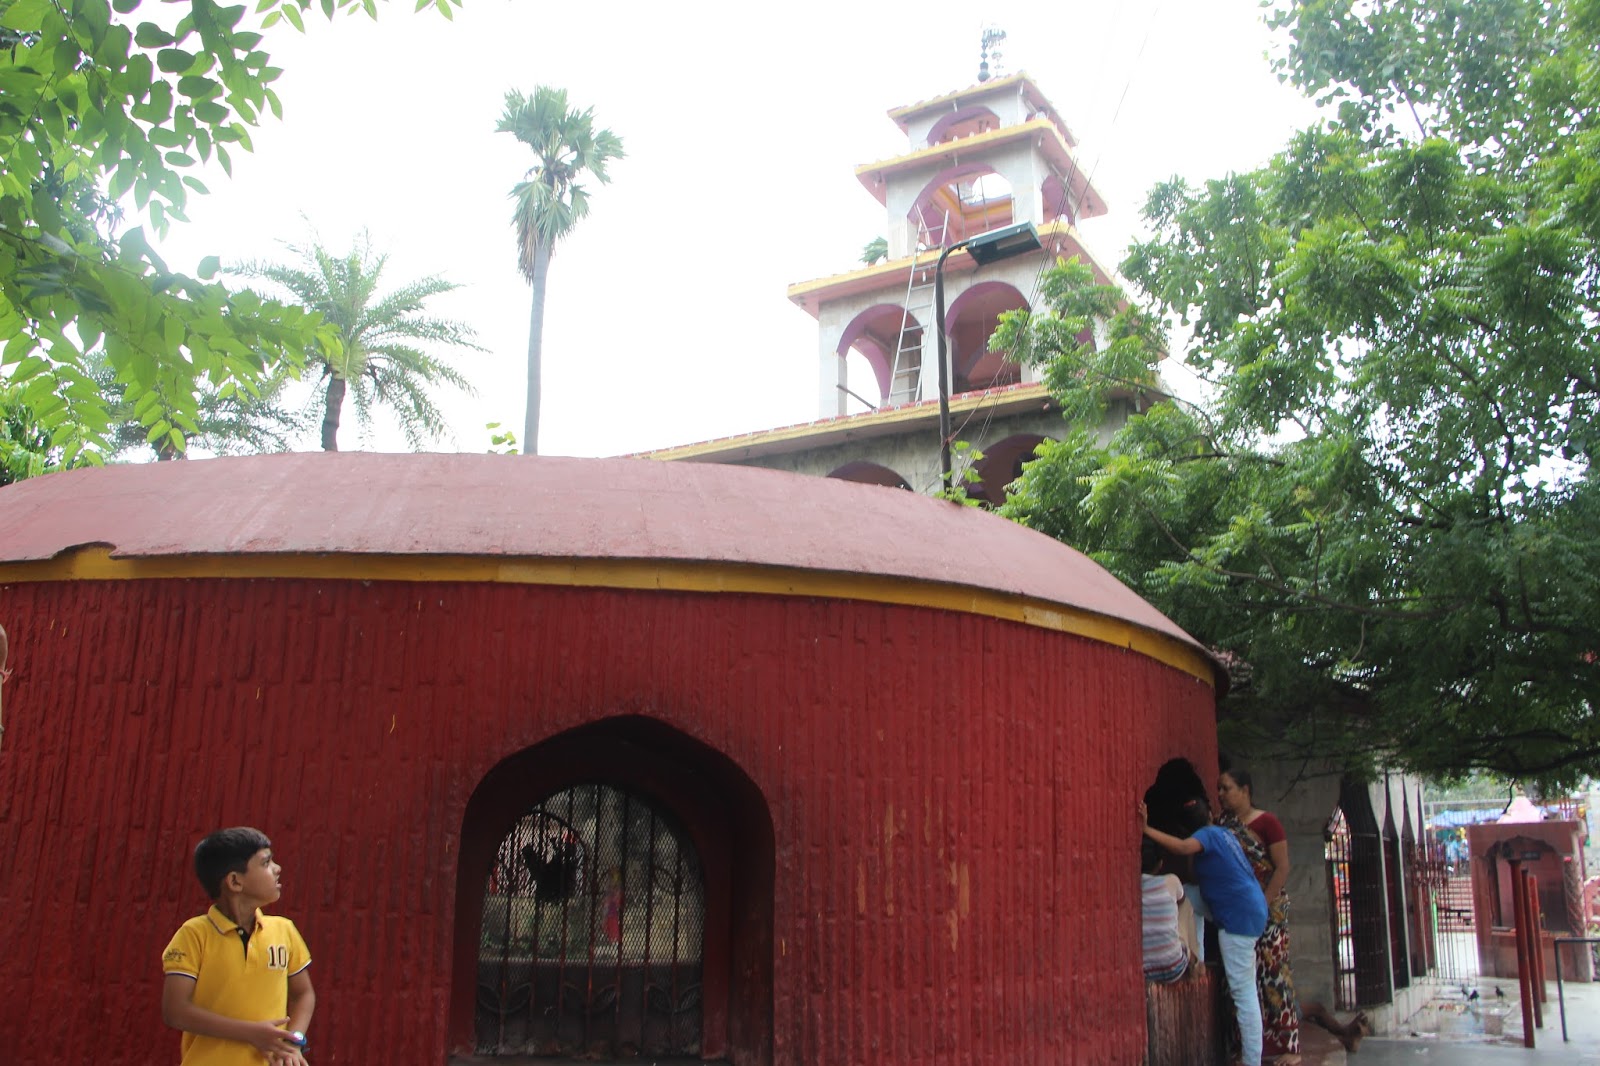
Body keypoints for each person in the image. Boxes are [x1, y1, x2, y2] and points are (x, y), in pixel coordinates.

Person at [162, 827, 316, 1065]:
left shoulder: (284, 931)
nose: (277, 869)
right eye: (266, 863)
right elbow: (175, 1011)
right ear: (235, 881)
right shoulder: (194, 935)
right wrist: (252, 1034)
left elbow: (303, 994)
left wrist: (293, 1041)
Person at [1141, 797, 1268, 1066]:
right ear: (1210, 814)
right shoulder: (1223, 833)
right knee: (1188, 896)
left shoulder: (1205, 837)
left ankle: (1252, 1061)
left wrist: (1147, 829)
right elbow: (1193, 885)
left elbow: (1185, 846)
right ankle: (1195, 955)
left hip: (1238, 918)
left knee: (1243, 992)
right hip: (1248, 907)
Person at [1219, 767, 1301, 1063]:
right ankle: (1247, 1046)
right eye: (1219, 789)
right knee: (1240, 980)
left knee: (1274, 973)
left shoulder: (1268, 823)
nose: (1221, 794)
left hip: (1269, 908)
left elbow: (1282, 867)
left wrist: (1263, 903)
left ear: (1245, 790)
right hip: (1238, 913)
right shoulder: (1223, 826)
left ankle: (1288, 1047)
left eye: (1227, 788)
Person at [1141, 838, 1191, 983]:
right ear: (1160, 863)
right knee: (1186, 905)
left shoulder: (1129, 889)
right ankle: (1196, 960)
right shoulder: (1171, 881)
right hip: (1174, 967)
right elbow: (1182, 902)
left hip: (1145, 971)